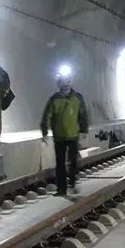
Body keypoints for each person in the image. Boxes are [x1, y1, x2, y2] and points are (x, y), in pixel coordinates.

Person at [41, 66, 89, 196]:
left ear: (71, 81)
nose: (66, 82)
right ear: (59, 82)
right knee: (60, 164)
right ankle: (61, 188)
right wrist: (44, 131)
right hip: (59, 136)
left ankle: (72, 183)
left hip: (73, 135)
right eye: (63, 80)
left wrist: (84, 130)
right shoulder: (54, 99)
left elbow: (83, 114)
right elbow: (46, 115)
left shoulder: (77, 98)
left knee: (73, 162)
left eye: (68, 80)